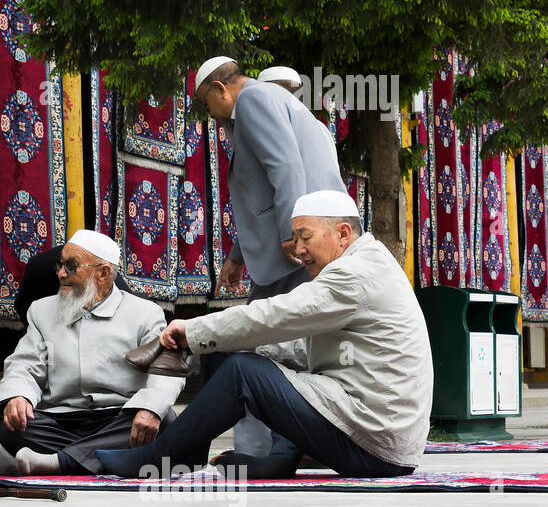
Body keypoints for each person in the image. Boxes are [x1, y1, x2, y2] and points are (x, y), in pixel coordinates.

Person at [96, 190, 432, 480]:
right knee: (247, 356)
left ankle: (161, 458)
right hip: (380, 438)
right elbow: (301, 348)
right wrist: (247, 344)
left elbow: (279, 315)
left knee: (242, 372)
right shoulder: (368, 262)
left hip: (374, 444)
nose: (297, 249)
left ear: (342, 234)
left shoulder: (354, 273)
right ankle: (276, 460)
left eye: (305, 237)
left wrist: (194, 330)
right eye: (294, 238)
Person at [194, 56, 347, 454]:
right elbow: (261, 193)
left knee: (260, 343)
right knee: (267, 339)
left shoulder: (253, 101)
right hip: (304, 240)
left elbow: (284, 168)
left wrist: (292, 235)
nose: (210, 115)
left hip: (295, 248)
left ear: (220, 88)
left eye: (207, 104)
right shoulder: (288, 110)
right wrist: (236, 257)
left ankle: (267, 448)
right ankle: (273, 446)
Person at [0, 230, 184, 475]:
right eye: (61, 264)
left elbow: (165, 370)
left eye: (71, 266)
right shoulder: (41, 310)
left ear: (103, 273)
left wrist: (150, 408)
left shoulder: (145, 314)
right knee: (10, 426)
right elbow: (25, 365)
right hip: (60, 420)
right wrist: (19, 397)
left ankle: (59, 462)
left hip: (120, 419)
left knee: (162, 421)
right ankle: (99, 458)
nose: (60, 273)